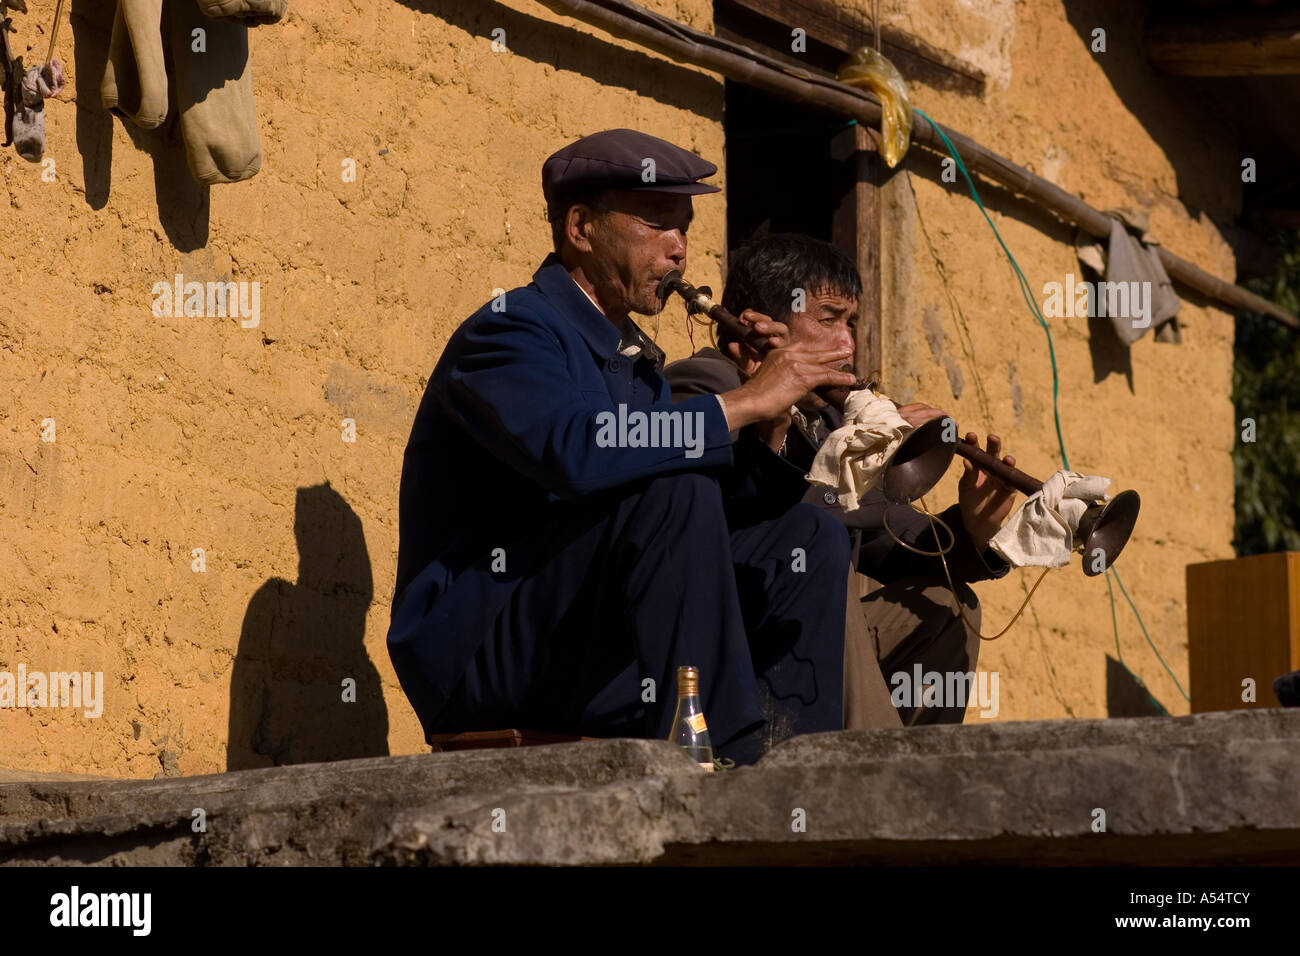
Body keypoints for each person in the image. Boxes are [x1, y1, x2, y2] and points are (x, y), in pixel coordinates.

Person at [387, 130, 860, 766]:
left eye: (686, 229)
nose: (679, 251)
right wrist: (741, 403)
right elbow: (578, 451)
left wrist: (771, 414)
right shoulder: (508, 330)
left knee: (808, 537)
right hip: (483, 653)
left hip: (588, 651)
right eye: (658, 224)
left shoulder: (635, 362)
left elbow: (713, 521)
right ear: (582, 228)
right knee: (673, 487)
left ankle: (792, 769)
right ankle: (720, 754)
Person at [665, 233, 1019, 727]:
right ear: (757, 329)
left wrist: (973, 531)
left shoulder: (827, 423)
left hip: (797, 632)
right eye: (828, 319)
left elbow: (888, 537)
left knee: (948, 605)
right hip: (730, 632)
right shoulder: (704, 385)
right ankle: (876, 779)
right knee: (827, 570)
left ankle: (923, 776)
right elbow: (740, 518)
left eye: (850, 323)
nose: (848, 344)